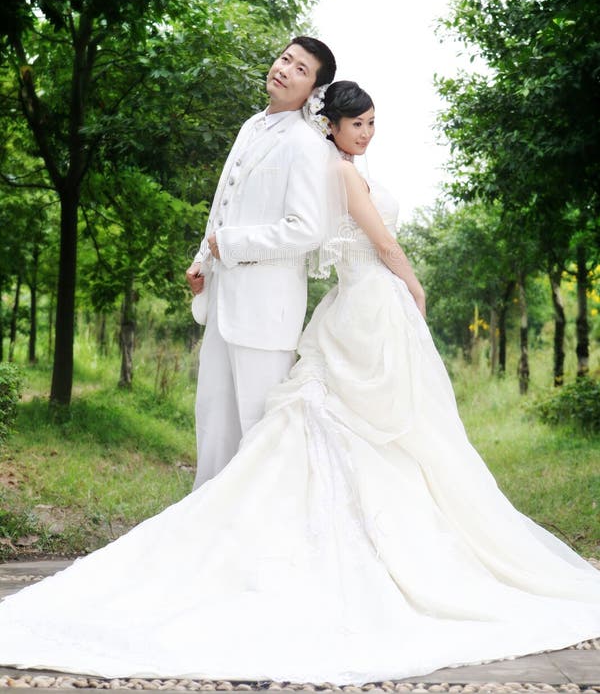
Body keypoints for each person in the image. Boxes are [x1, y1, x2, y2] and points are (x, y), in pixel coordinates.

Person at [0, 81, 599, 684]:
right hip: (367, 302)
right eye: (356, 123)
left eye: (372, 123)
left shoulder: (337, 166)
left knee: (397, 429)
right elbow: (383, 241)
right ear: (331, 125)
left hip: (362, 309)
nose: (365, 133)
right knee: (351, 420)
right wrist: (415, 285)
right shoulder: (338, 173)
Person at [185, 36, 336, 489]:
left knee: (257, 426)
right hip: (223, 298)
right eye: (285, 59)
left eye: (301, 69)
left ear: (313, 91)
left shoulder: (307, 144)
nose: (286, 69)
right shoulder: (251, 125)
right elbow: (223, 200)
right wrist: (203, 261)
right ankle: (205, 518)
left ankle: (259, 531)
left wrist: (229, 245)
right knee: (212, 417)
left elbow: (307, 229)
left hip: (267, 309)